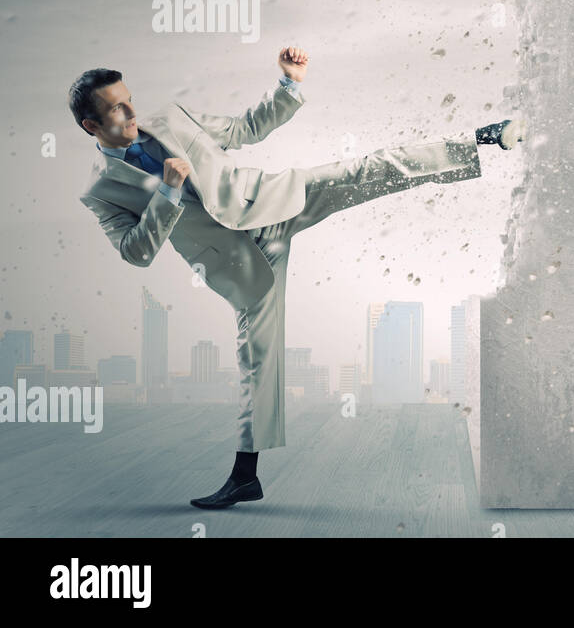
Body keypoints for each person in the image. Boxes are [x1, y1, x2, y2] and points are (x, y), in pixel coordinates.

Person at [69, 47, 524, 508]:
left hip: (271, 202)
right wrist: (166, 191)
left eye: (129, 99)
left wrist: (289, 84)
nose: (131, 112)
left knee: (365, 169)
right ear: (91, 126)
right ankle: (245, 477)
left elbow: (244, 129)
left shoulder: (171, 117)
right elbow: (137, 253)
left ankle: (481, 140)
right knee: (257, 358)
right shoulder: (100, 191)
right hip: (237, 263)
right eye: (116, 108)